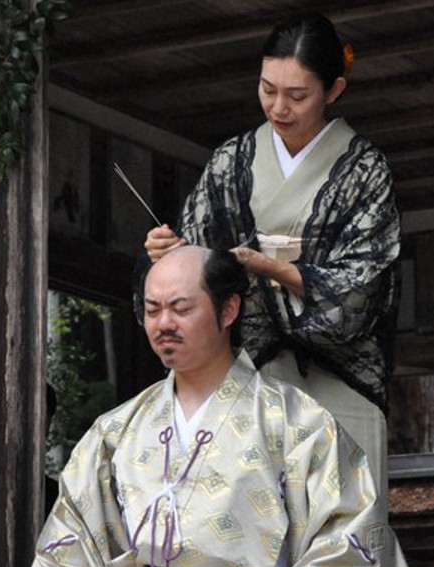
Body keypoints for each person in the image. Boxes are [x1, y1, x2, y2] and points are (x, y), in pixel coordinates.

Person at [23, 246, 426, 567]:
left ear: (228, 309)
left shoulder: (298, 424)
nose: (164, 324)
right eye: (152, 310)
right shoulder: (114, 432)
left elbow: (350, 540)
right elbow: (66, 544)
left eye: (181, 309)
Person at [143, 13, 399, 500]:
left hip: (336, 382)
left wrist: (274, 270)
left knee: (338, 531)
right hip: (242, 377)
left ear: (334, 89)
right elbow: (199, 263)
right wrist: (171, 254)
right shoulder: (230, 161)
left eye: (297, 95)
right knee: (238, 532)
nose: (278, 107)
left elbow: (365, 291)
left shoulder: (365, 170)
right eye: (267, 89)